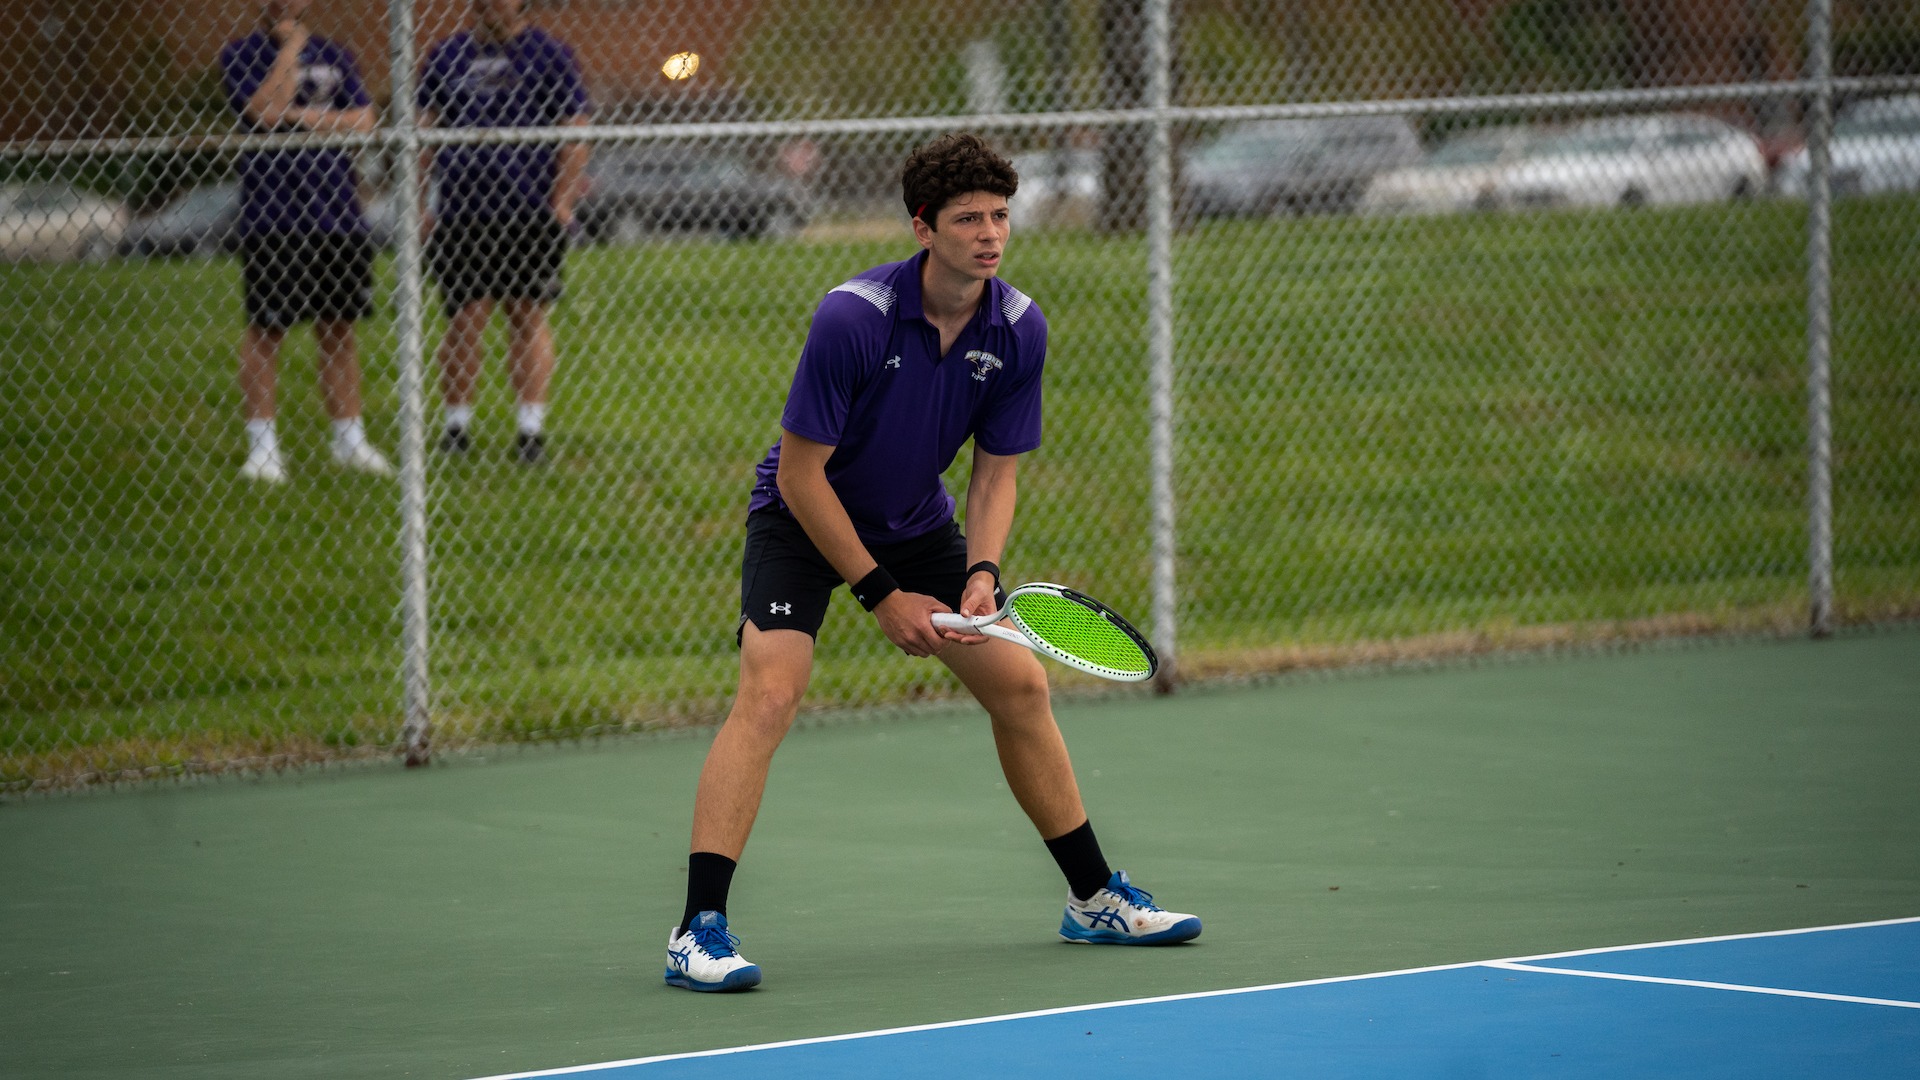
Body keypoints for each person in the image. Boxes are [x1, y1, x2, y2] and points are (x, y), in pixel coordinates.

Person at [665, 134, 1201, 994]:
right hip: (804, 518)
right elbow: (802, 473)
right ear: (923, 227)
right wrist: (880, 595)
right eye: (967, 219)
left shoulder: (1019, 328)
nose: (989, 234)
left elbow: (996, 472)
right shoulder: (853, 317)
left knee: (1021, 686)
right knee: (770, 693)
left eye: (999, 216)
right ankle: (698, 930)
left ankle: (1094, 897)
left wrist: (982, 570)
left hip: (917, 522)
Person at [220, 0, 393, 484]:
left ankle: (349, 440)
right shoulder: (241, 54)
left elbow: (364, 121)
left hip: (338, 215)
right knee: (266, 331)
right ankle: (263, 449)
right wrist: (291, 49)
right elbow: (267, 113)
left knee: (339, 330)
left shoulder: (337, 54)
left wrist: (309, 118)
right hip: (276, 216)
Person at [418, 0, 590, 465]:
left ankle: (530, 432)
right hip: (462, 214)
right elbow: (423, 132)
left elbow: (574, 130)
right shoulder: (446, 55)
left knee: (527, 316)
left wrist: (561, 200)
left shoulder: (549, 55)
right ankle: (456, 427)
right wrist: (419, 204)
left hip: (527, 212)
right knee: (464, 319)